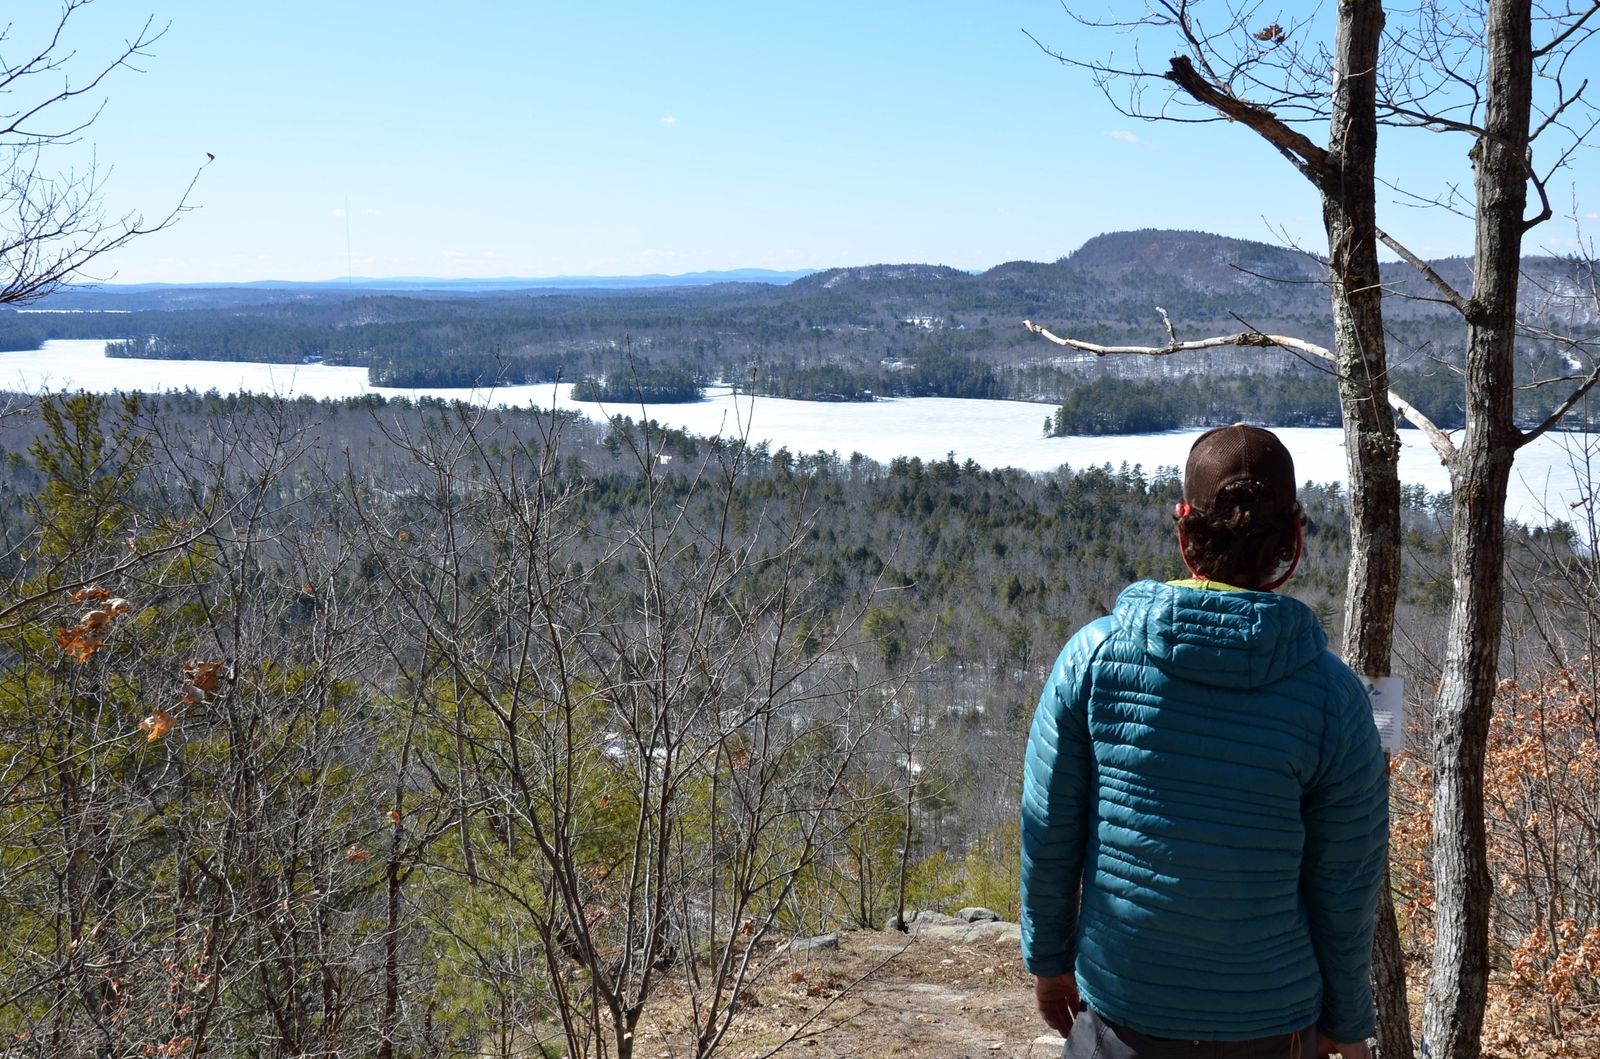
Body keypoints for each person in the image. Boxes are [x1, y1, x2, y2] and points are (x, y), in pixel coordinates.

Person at [1019, 424, 1388, 1059]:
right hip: (1271, 1023)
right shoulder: (1333, 698)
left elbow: (1049, 829)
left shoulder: (1095, 658)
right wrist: (1347, 1024)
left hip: (1123, 1011)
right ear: (1291, 538)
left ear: (1184, 531)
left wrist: (1049, 961)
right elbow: (1346, 885)